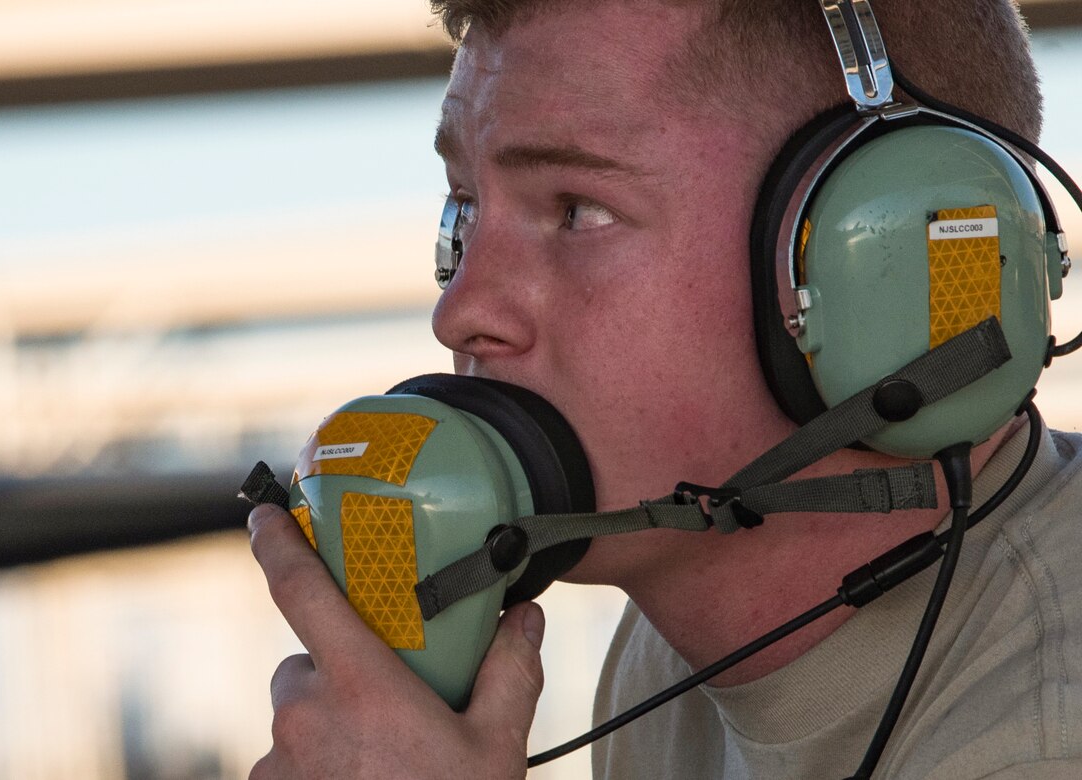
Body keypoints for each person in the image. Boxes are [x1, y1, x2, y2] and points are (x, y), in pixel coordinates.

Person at [245, 0, 1082, 777]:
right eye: (464, 208)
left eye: (577, 210)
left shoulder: (1043, 740)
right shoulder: (672, 644)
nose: (461, 310)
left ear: (888, 268)